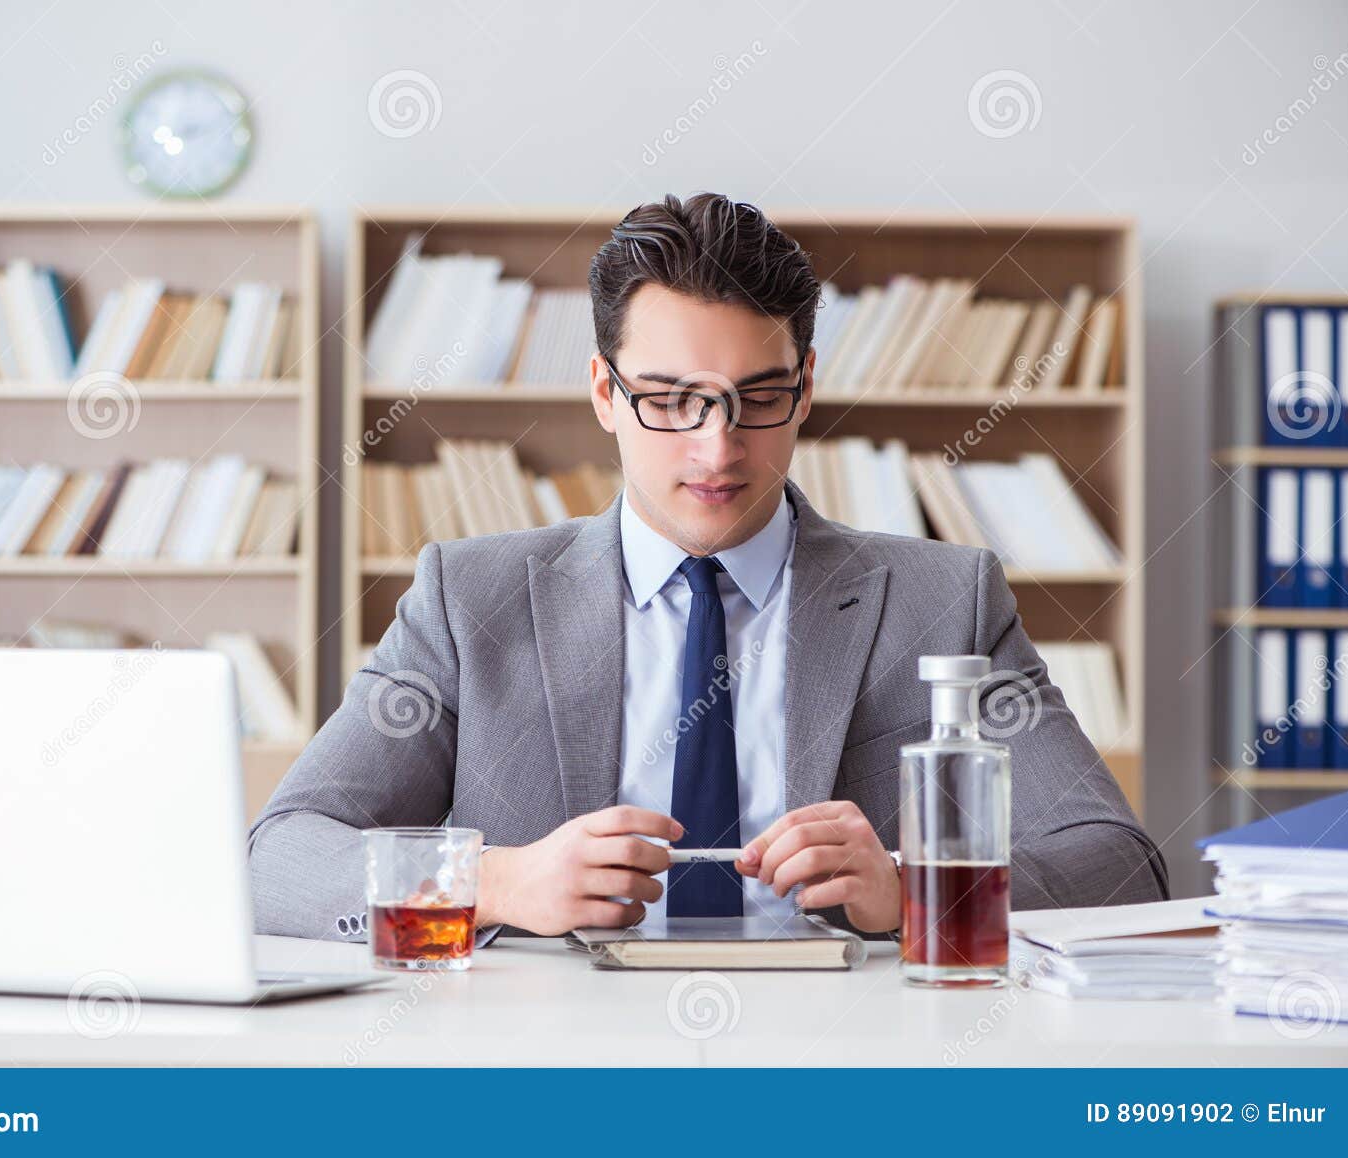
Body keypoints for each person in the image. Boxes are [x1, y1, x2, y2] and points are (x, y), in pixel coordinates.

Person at [248, 192, 1167, 943]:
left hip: (846, 1056)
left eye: (757, 399)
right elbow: (279, 857)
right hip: (549, 1054)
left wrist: (913, 889)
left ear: (805, 389)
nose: (717, 449)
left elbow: (1119, 866)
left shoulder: (944, 600)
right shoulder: (470, 598)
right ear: (606, 393)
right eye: (670, 401)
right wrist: (495, 881)